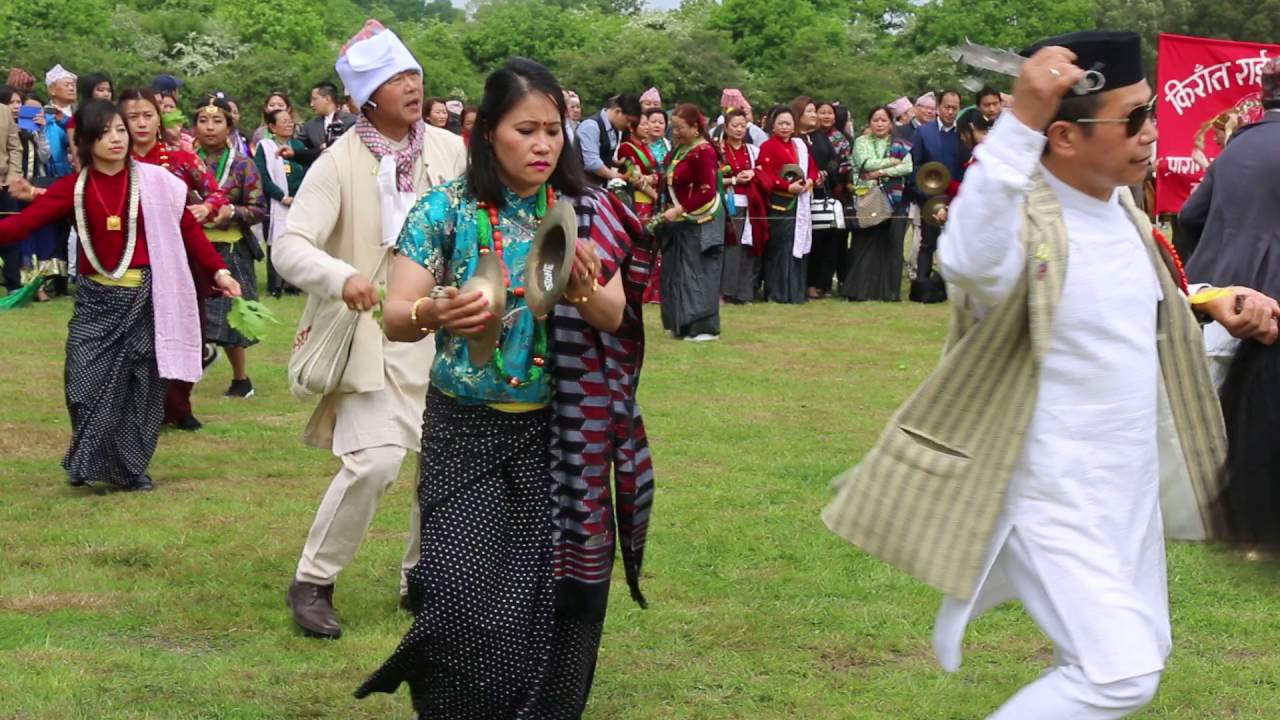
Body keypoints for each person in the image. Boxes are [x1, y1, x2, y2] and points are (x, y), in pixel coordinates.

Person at [823, 31, 1280, 720]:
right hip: (1050, 496)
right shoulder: (1027, 220)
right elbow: (971, 259)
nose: (1152, 132)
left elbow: (1116, 317)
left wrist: (1213, 303)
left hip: (1126, 492)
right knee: (1116, 674)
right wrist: (1016, 124)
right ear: (1063, 135)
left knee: (1142, 653)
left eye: (1150, 111)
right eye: (1132, 120)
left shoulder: (1122, 209)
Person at [357, 56, 654, 718]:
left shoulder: (585, 210)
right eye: (527, 129)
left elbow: (614, 313)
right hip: (465, 429)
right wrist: (437, 309)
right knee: (461, 596)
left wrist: (583, 291)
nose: (544, 144)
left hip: (559, 436)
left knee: (553, 600)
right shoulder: (445, 209)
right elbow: (398, 317)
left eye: (554, 129)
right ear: (487, 131)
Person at [271, 19, 466, 640]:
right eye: (395, 78)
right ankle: (313, 580)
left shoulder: (449, 149)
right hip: (368, 335)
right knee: (376, 462)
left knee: (441, 464)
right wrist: (341, 276)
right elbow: (290, 246)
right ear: (365, 98)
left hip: (441, 327)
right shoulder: (337, 162)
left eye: (414, 74)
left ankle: (422, 577)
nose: (412, 86)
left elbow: (470, 223)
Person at [0, 100, 241, 490]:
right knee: (82, 385)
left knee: (140, 390)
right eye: (105, 133)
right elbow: (21, 226)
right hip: (95, 302)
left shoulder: (156, 182)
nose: (116, 139)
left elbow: (189, 230)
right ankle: (91, 456)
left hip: (148, 299)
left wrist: (220, 270)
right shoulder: (74, 188)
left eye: (120, 131)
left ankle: (126, 471)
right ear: (87, 142)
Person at [120, 87, 230, 432]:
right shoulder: (113, 163)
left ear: (159, 119)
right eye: (132, 117)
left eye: (147, 115)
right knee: (139, 336)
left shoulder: (180, 159)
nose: (140, 124)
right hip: (133, 260)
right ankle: (142, 407)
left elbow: (216, 190)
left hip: (182, 258)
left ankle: (180, 405)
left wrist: (206, 207)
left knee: (186, 327)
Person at [1180, 58, 1280, 391]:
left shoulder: (1237, 145)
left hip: (1218, 307)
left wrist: (1218, 260)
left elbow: (1190, 216)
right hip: (1267, 325)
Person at [193, 95, 266, 398]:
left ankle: (241, 379)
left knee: (232, 314)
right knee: (193, 311)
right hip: (192, 245)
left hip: (231, 247)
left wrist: (233, 213)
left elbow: (259, 208)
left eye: (217, 121)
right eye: (203, 121)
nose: (209, 127)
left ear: (230, 125)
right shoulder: (184, 161)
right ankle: (194, 361)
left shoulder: (242, 164)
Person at [658, 103, 725, 340]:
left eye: (679, 128)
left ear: (695, 128)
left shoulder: (704, 151)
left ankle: (703, 326)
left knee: (699, 272)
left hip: (702, 220)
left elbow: (707, 191)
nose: (675, 132)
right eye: (673, 128)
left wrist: (680, 209)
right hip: (682, 221)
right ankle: (682, 323)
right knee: (679, 272)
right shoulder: (680, 150)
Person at [842, 105, 913, 302]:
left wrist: (881, 172)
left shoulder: (900, 143)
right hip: (869, 198)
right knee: (865, 243)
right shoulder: (861, 141)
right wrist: (892, 162)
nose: (880, 124)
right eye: (875, 120)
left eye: (884, 120)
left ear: (891, 123)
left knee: (891, 245)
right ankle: (859, 290)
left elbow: (907, 166)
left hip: (896, 198)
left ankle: (889, 292)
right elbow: (865, 163)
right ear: (869, 122)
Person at [755, 105, 817, 304]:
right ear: (773, 126)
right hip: (780, 203)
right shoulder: (767, 147)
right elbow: (765, 175)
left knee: (796, 247)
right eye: (780, 123)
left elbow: (813, 169)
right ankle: (777, 292)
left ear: (794, 126)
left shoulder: (800, 145)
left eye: (788, 123)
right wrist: (786, 186)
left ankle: (795, 292)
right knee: (779, 248)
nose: (784, 127)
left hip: (801, 203)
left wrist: (810, 181)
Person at [908, 88, 964, 303]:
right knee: (927, 243)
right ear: (938, 107)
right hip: (929, 199)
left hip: (958, 199)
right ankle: (921, 284)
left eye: (955, 108)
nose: (950, 112)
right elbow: (915, 166)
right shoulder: (924, 132)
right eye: (947, 107)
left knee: (957, 244)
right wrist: (925, 197)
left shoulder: (963, 133)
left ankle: (956, 288)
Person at [254, 109, 312, 298]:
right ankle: (276, 283)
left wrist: (300, 196)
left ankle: (293, 283)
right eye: (284, 121)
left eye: (290, 121)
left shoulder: (298, 146)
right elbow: (262, 175)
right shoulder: (265, 146)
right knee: (277, 241)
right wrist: (281, 196)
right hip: (276, 202)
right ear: (272, 126)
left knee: (296, 240)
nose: (289, 124)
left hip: (299, 200)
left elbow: (307, 172)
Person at [719, 108, 766, 305]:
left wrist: (753, 174)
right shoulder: (719, 150)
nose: (739, 130)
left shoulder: (752, 150)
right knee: (730, 248)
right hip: (729, 202)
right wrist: (734, 179)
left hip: (750, 203)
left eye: (742, 126)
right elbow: (714, 177)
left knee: (748, 247)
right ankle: (725, 292)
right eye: (734, 126)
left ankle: (744, 293)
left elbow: (763, 170)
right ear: (726, 127)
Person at [806, 99, 851, 299]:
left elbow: (845, 165)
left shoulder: (841, 139)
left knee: (832, 241)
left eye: (829, 113)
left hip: (834, 193)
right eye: (820, 112)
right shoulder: (807, 137)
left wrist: (832, 173)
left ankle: (825, 283)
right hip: (808, 190)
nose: (825, 116)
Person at [577, 93, 640, 186]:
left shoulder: (614, 129)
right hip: (583, 186)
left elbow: (603, 154)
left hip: (599, 186)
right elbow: (591, 163)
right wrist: (617, 176)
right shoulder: (591, 126)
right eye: (628, 120)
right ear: (618, 112)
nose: (629, 125)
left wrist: (616, 163)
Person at [1, 85, 26, 294]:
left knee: (10, 234)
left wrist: (11, 178)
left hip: (4, 184)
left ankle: (14, 286)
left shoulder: (4, 111)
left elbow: (15, 148)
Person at [615, 113, 659, 221]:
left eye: (648, 124)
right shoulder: (626, 148)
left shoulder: (645, 147)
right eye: (643, 124)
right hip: (638, 200)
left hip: (651, 200)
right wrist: (656, 196)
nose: (647, 127)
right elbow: (635, 177)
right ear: (631, 128)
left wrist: (652, 178)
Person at [300, 81, 356, 153]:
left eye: (314, 99)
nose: (311, 104)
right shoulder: (309, 126)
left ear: (327, 98)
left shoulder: (352, 121)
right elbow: (298, 148)